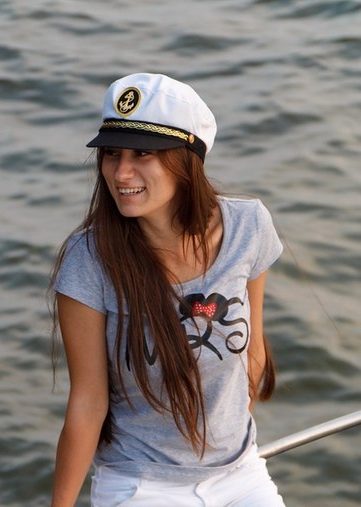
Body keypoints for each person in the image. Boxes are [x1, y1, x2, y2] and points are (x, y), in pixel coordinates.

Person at [50, 73, 285, 506]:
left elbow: (253, 353)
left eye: (143, 153)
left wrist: (223, 449)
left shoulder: (247, 227)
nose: (121, 172)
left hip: (240, 472)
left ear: (185, 160)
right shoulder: (89, 258)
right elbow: (87, 402)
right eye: (112, 153)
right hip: (142, 483)